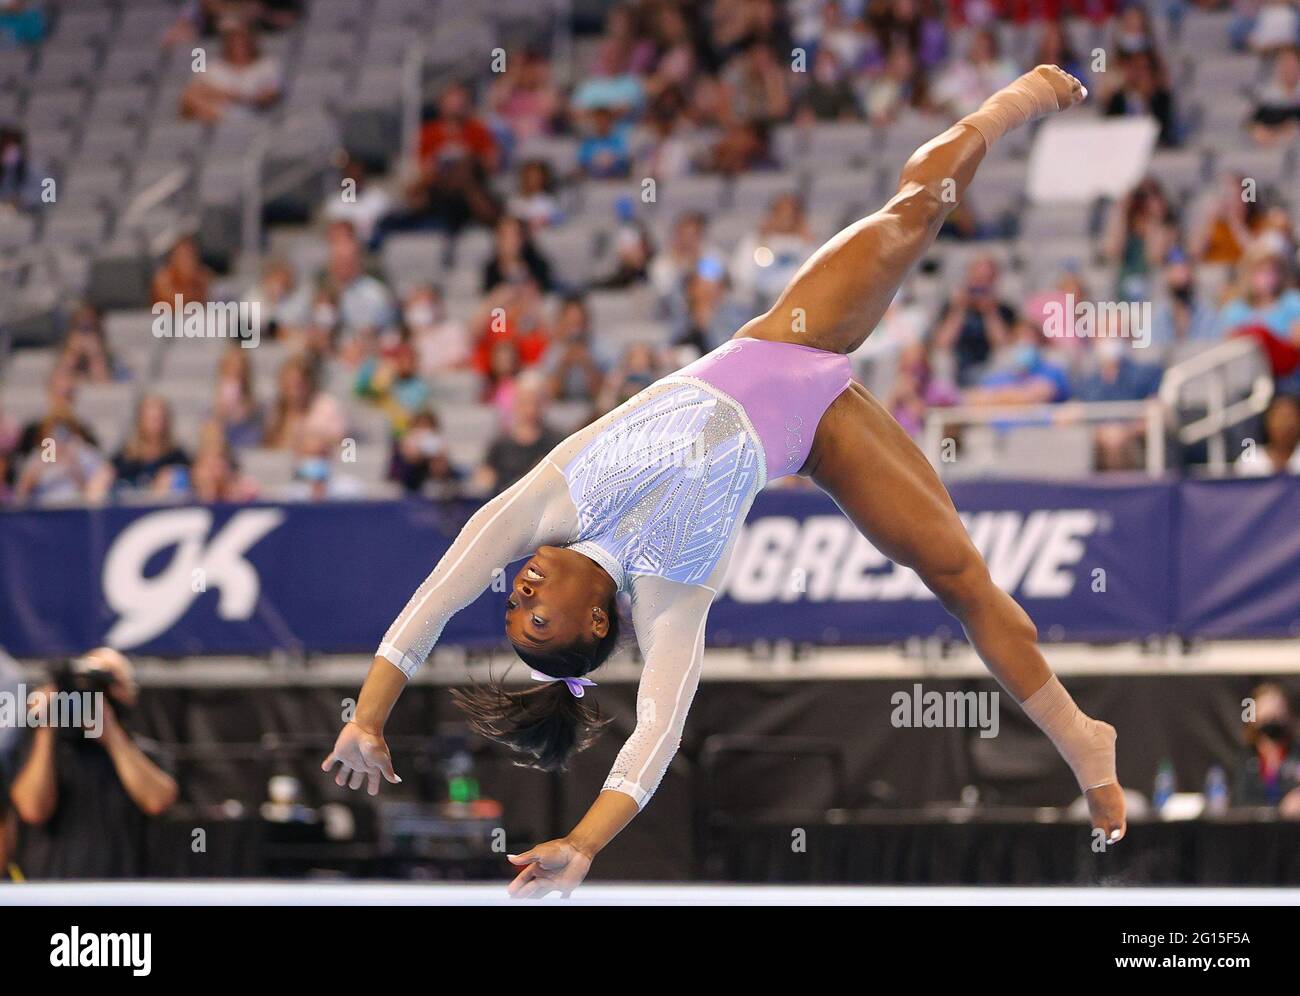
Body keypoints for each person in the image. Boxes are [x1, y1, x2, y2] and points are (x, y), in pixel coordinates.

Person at [323, 67, 1126, 896]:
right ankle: (1078, 738)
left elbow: (437, 591)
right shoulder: (670, 592)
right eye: (538, 617)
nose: (518, 593)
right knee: (959, 578)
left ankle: (1012, 101)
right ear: (596, 620)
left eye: (514, 607)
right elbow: (656, 733)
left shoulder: (549, 500)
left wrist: (372, 713)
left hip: (788, 341)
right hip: (815, 437)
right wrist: (587, 844)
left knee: (917, 208)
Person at [8, 648, 178, 879]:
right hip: (52, 893)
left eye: (107, 683)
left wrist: (112, 736)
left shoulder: (148, 754)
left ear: (130, 692)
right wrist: (46, 727)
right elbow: (32, 810)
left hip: (126, 893)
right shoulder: (42, 753)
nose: (96, 695)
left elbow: (158, 801)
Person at [1235, 682, 1300, 816]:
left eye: (1277, 710)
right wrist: (1279, 809)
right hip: (1255, 831)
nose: (1271, 717)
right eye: (1266, 712)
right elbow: (1239, 801)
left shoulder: (1296, 753)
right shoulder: (1247, 757)